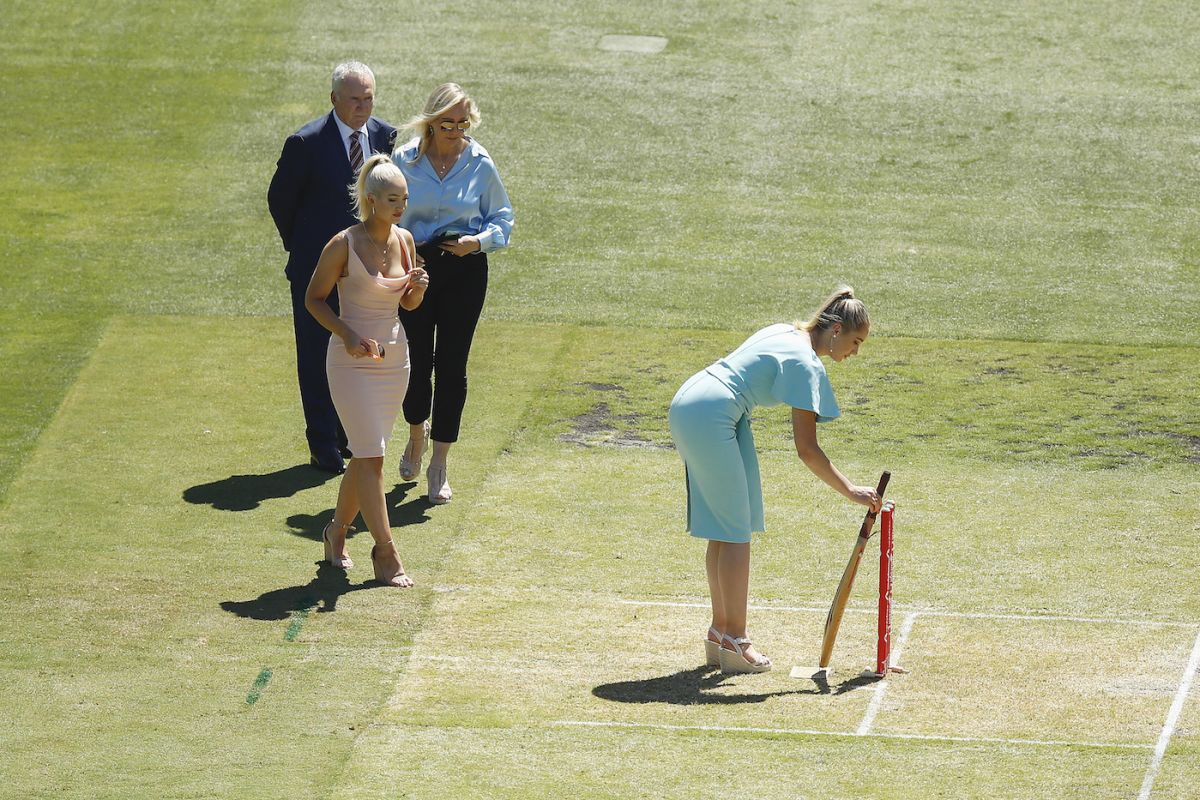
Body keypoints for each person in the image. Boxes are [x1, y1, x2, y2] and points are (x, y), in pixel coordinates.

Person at [667, 287, 883, 673]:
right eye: (855, 342)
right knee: (734, 531)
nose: (855, 352)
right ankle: (736, 640)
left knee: (726, 527)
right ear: (835, 331)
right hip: (710, 413)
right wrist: (850, 489)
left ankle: (721, 634)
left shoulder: (786, 331)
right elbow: (807, 450)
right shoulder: (806, 363)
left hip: (696, 402)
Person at [304, 153, 429, 587]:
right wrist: (348, 334)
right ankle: (386, 552)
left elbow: (408, 305)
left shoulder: (407, 240)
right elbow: (314, 299)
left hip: (395, 362)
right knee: (371, 457)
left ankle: (335, 532)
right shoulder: (342, 244)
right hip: (351, 363)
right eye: (393, 199)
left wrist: (417, 289)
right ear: (371, 200)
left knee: (365, 456)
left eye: (405, 199)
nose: (400, 207)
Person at [269, 61, 398, 474]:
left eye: (368, 98)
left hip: (366, 272)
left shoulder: (386, 137)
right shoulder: (305, 142)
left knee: (358, 345)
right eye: (354, 99)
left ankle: (348, 435)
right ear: (334, 99)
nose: (363, 107)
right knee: (314, 352)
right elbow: (280, 201)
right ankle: (322, 442)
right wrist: (306, 248)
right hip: (315, 269)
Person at [391, 82, 514, 504]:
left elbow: (502, 218)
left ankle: (439, 461)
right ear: (430, 122)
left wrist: (476, 243)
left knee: (452, 366)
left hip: (464, 267)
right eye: (448, 123)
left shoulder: (480, 162)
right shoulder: (404, 160)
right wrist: (404, 249)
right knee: (416, 360)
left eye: (464, 123)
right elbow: (386, 213)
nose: (457, 131)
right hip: (416, 266)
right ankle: (415, 435)